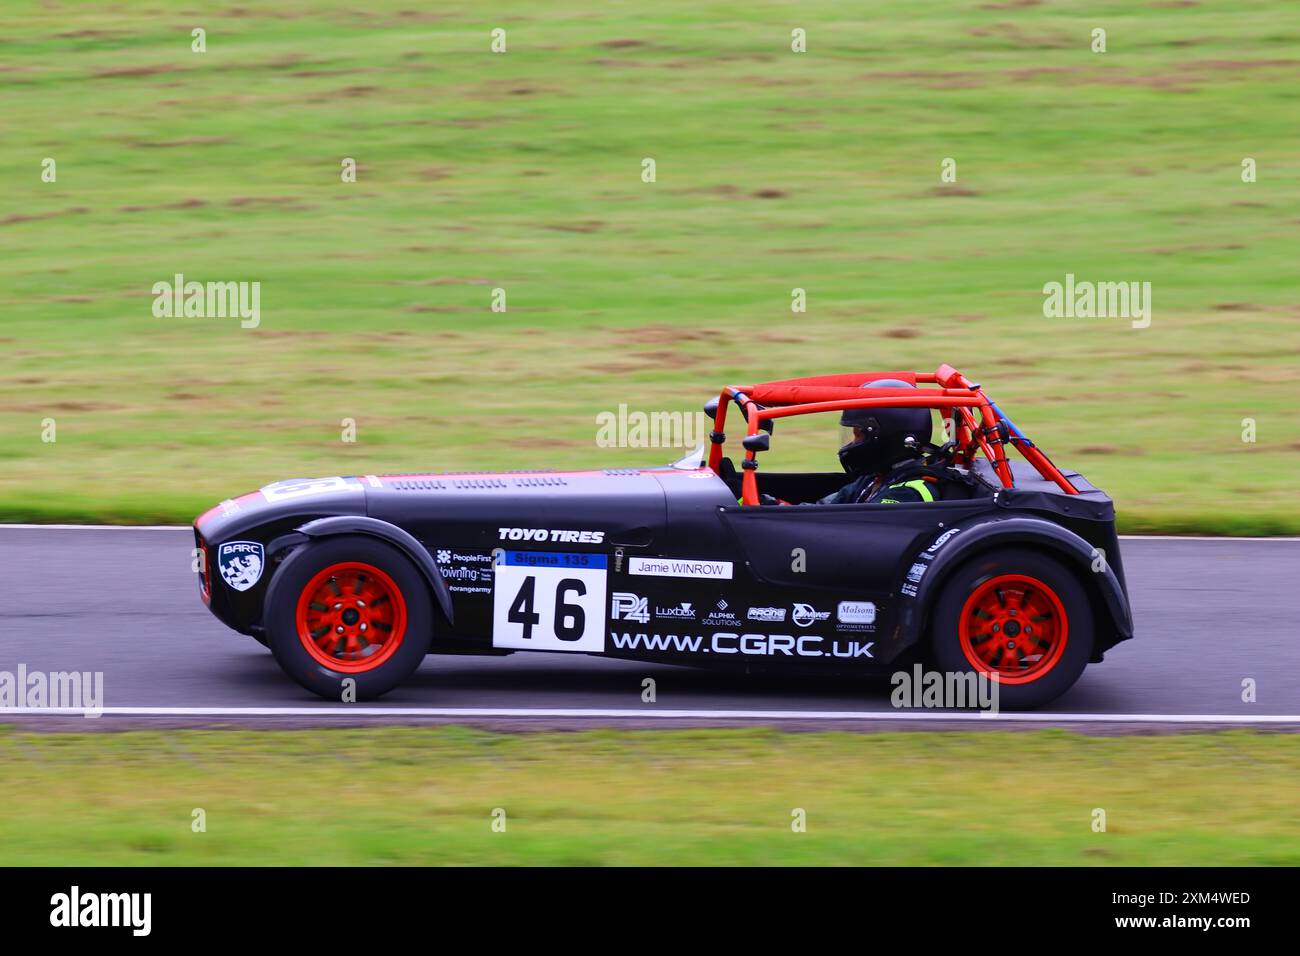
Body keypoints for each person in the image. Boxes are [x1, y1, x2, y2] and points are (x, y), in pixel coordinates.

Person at [817, 379, 943, 504]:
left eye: (858, 435)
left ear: (886, 436)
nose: (853, 443)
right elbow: (822, 509)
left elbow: (861, 522)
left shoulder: (907, 494)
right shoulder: (873, 478)